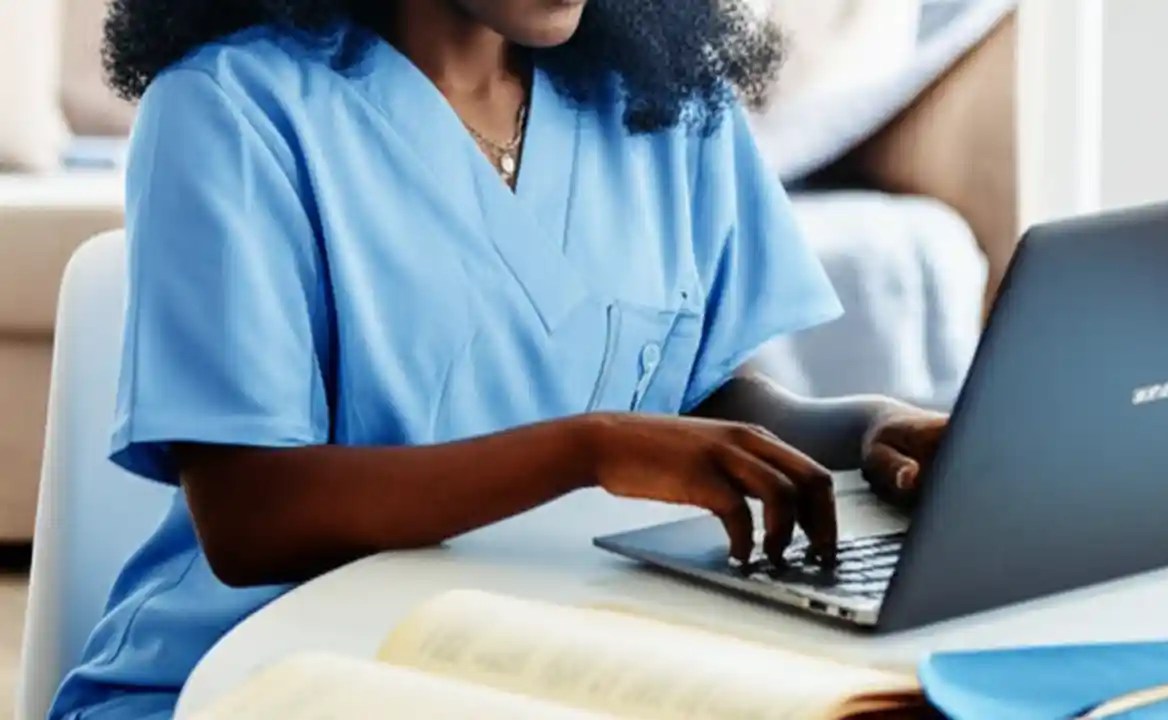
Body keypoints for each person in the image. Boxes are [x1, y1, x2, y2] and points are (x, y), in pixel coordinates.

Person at [51, 1, 948, 717]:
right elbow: (250, 519)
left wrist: (870, 426)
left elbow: (700, 398)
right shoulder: (229, 109)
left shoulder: (670, 102)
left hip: (544, 666)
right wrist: (588, 450)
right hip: (252, 678)